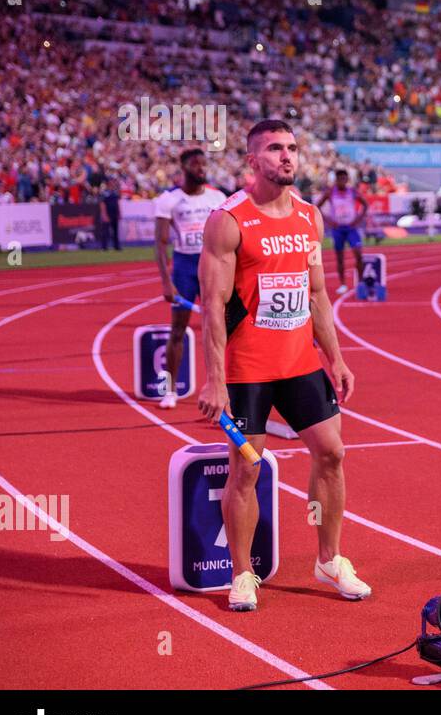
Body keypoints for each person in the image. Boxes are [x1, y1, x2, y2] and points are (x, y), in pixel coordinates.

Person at [197, 119, 369, 612]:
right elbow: (212, 305)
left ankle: (329, 559)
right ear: (253, 161)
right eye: (275, 149)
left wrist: (334, 357)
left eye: (292, 148)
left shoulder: (308, 218)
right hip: (247, 371)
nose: (287, 157)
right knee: (247, 471)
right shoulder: (228, 220)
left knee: (332, 453)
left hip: (299, 365)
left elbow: (316, 294)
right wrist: (214, 380)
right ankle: (243, 573)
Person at [153, 149, 227, 410]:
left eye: (204, 164)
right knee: (178, 330)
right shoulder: (169, 200)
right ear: (183, 167)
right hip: (184, 266)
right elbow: (161, 245)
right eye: (196, 164)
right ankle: (170, 390)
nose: (201, 168)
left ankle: (224, 386)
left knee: (222, 329)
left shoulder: (218, 197)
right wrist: (166, 282)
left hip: (213, 265)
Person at [316, 169, 368, 295]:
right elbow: (317, 206)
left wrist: (358, 219)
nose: (342, 181)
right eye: (340, 179)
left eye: (344, 179)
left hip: (351, 228)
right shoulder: (330, 192)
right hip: (337, 229)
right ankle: (343, 284)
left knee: (358, 254)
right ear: (336, 180)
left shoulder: (352, 192)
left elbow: (365, 204)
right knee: (340, 257)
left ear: (347, 179)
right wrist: (328, 220)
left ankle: (360, 283)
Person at [97, 174, 121, 251]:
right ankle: (104, 247)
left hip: (114, 213)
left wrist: (119, 213)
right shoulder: (104, 192)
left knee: (115, 231)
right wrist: (104, 214)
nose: (113, 183)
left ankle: (116, 246)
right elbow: (102, 204)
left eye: (113, 181)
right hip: (108, 213)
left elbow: (117, 203)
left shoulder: (115, 192)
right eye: (111, 181)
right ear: (108, 183)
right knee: (105, 231)